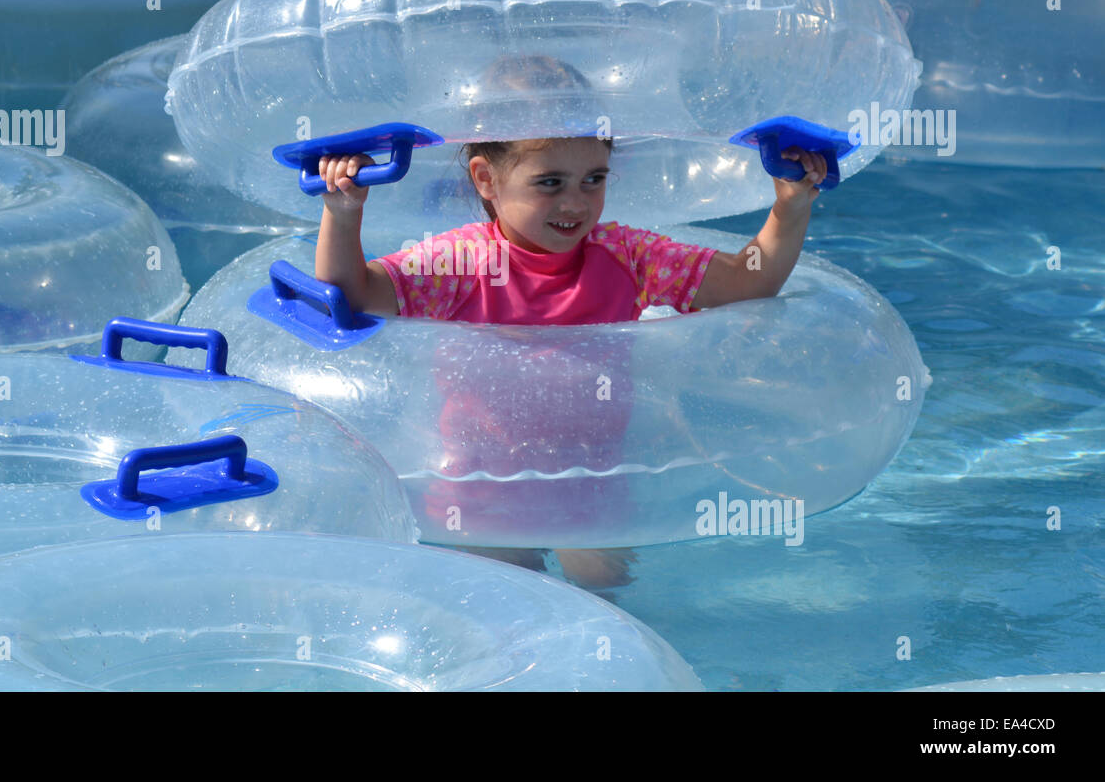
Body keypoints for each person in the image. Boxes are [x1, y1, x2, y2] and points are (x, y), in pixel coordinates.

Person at [314, 57, 829, 589]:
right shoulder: (461, 263)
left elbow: (748, 283)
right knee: (506, 610)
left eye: (593, 179)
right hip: (482, 488)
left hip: (594, 485)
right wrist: (342, 212)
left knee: (605, 606)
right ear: (487, 179)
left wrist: (790, 207)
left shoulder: (626, 255)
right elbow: (354, 296)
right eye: (550, 181)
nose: (575, 202)